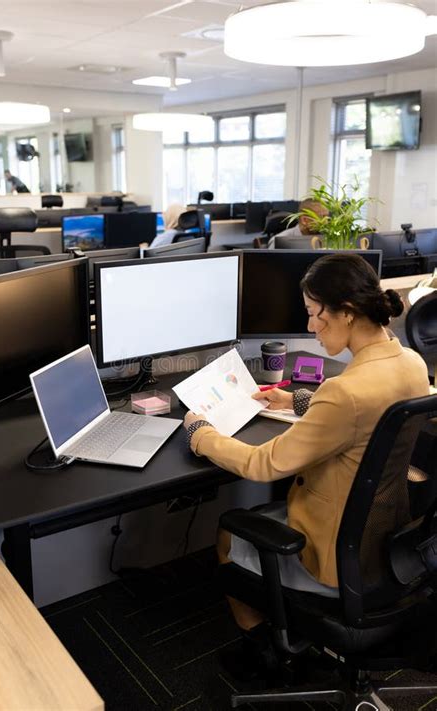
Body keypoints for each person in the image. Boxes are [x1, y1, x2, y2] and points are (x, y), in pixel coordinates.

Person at [182, 253, 430, 676]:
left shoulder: (344, 391)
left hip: (335, 558)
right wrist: (297, 399)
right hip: (390, 544)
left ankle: (269, 655)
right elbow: (370, 416)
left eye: (316, 315)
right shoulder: (411, 361)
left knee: (228, 530)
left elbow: (264, 464)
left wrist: (200, 433)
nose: (311, 327)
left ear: (347, 313)